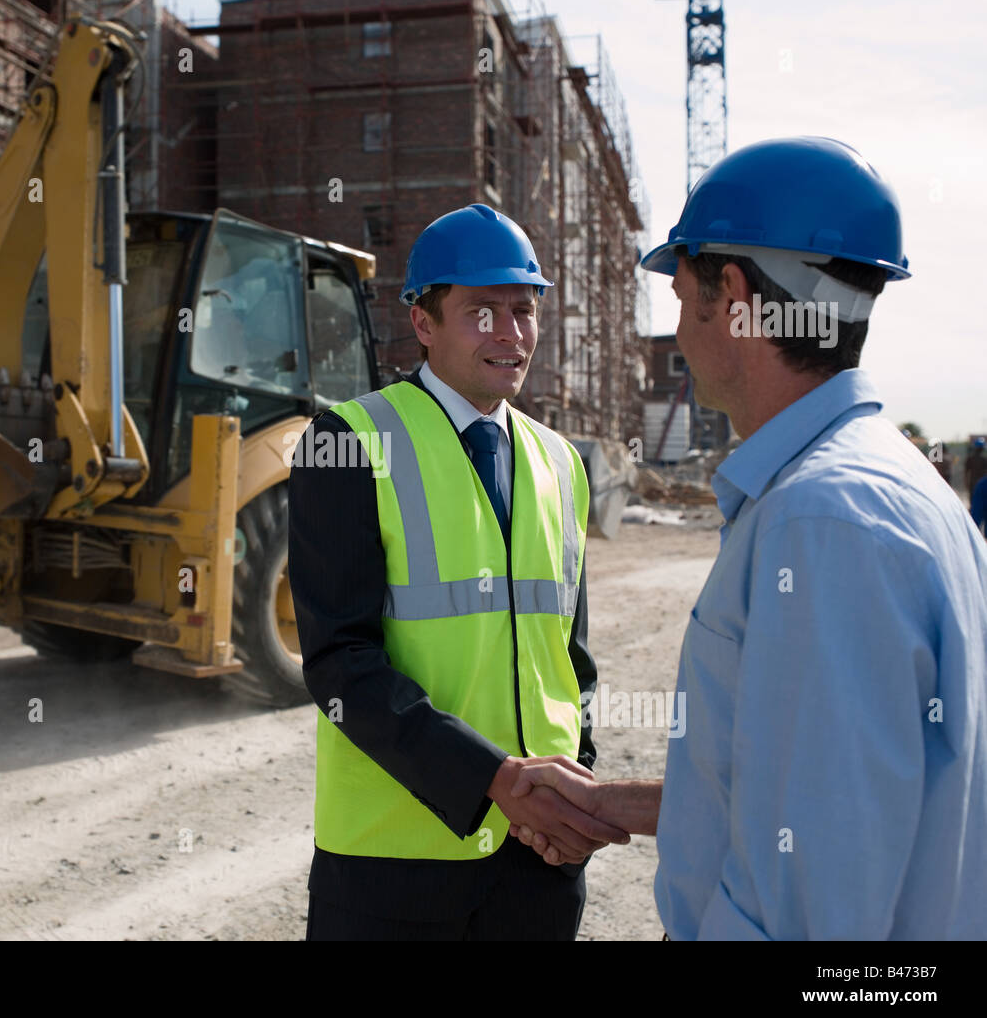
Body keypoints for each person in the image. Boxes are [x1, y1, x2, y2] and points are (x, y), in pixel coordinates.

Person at [511, 137, 987, 939]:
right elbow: (827, 793)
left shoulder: (824, 521)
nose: (676, 327)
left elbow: (814, 908)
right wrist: (613, 803)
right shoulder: (899, 490)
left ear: (729, 293)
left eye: (679, 290)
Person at [288, 203, 628, 941]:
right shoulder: (346, 441)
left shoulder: (561, 462)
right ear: (423, 323)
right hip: (394, 865)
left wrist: (571, 788)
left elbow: (571, 661)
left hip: (536, 862)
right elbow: (340, 664)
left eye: (523, 310)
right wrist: (492, 779)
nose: (510, 333)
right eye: (482, 311)